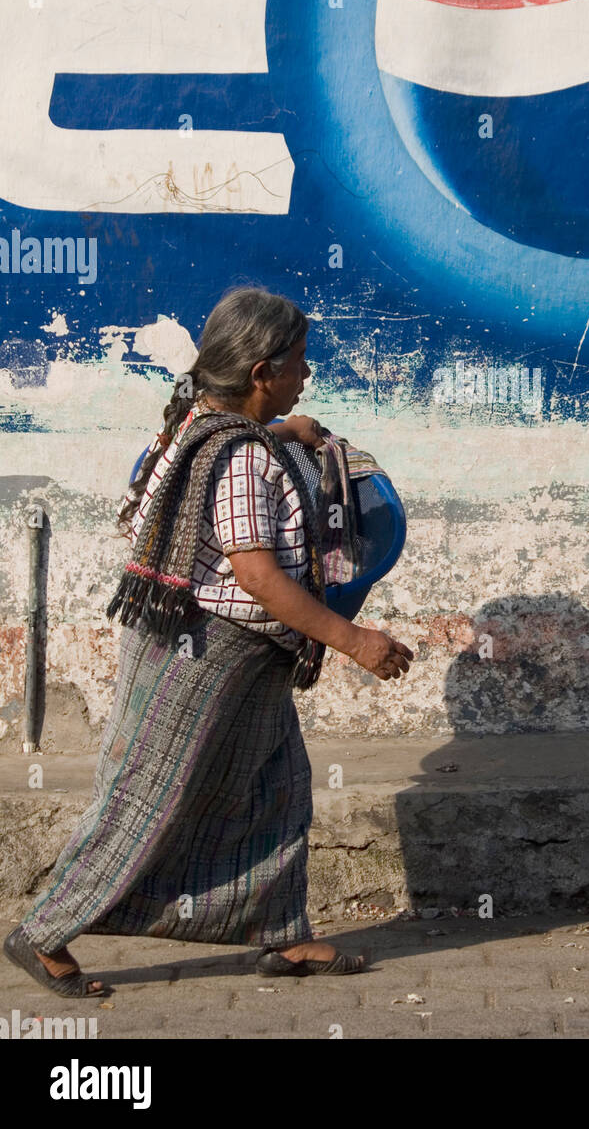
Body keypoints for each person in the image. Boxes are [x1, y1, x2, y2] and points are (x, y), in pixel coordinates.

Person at [4, 287, 413, 997]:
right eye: (299, 362)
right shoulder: (242, 458)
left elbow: (239, 453)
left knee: (274, 790)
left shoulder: (200, 424)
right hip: (204, 650)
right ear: (262, 372)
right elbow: (256, 573)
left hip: (236, 650)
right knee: (146, 798)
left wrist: (288, 431)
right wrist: (353, 639)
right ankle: (42, 933)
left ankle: (281, 935)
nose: (306, 374)